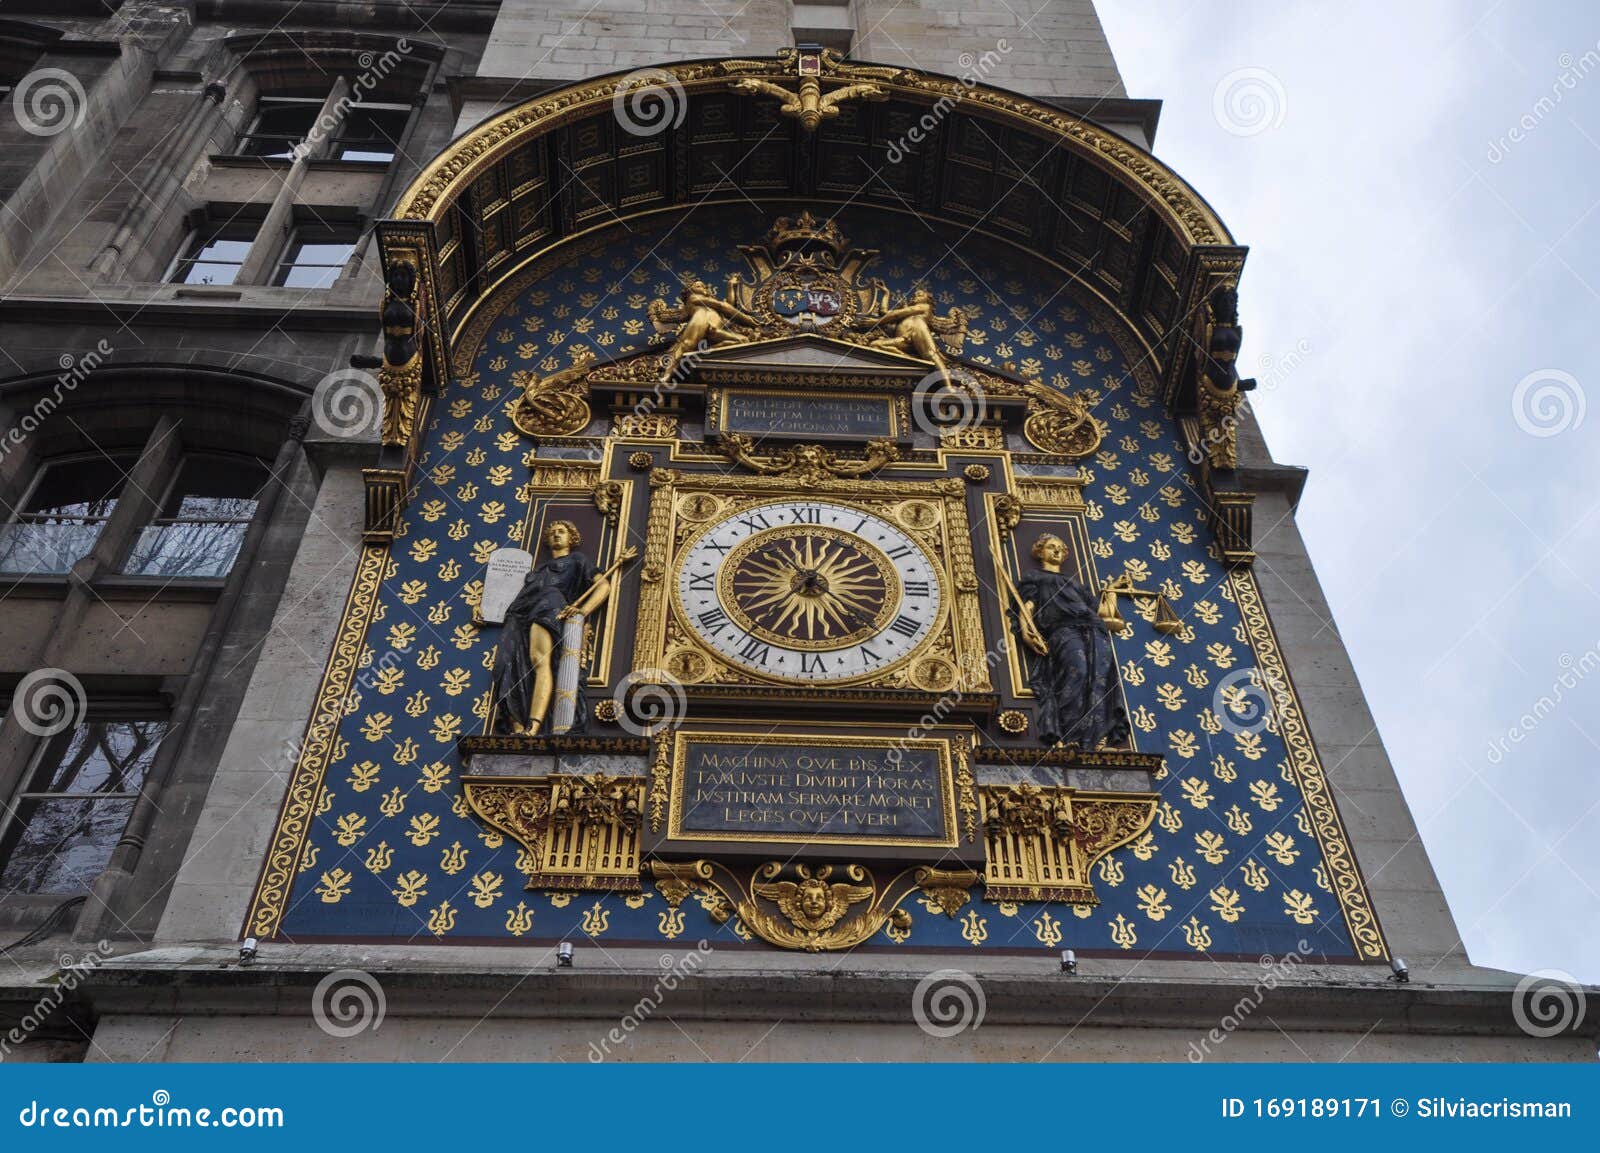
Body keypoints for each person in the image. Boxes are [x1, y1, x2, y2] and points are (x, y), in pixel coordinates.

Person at [490, 520, 608, 735]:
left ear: (571, 538)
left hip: (549, 606)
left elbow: (604, 586)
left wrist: (582, 611)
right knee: (507, 664)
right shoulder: (539, 569)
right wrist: (485, 612)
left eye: (562, 531)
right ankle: (517, 724)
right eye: (552, 532)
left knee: (539, 660)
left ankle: (533, 726)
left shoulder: (577, 560)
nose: (556, 535)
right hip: (520, 615)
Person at [1012, 534, 1129, 750]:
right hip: (1063, 630)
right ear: (1040, 551)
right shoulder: (1035, 577)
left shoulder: (1077, 585)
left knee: (1100, 680)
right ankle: (1072, 736)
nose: (1056, 550)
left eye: (1060, 548)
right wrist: (1026, 633)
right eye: (1051, 547)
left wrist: (1112, 590)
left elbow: (1104, 612)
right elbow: (1027, 607)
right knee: (1078, 673)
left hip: (1095, 630)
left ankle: (1097, 740)